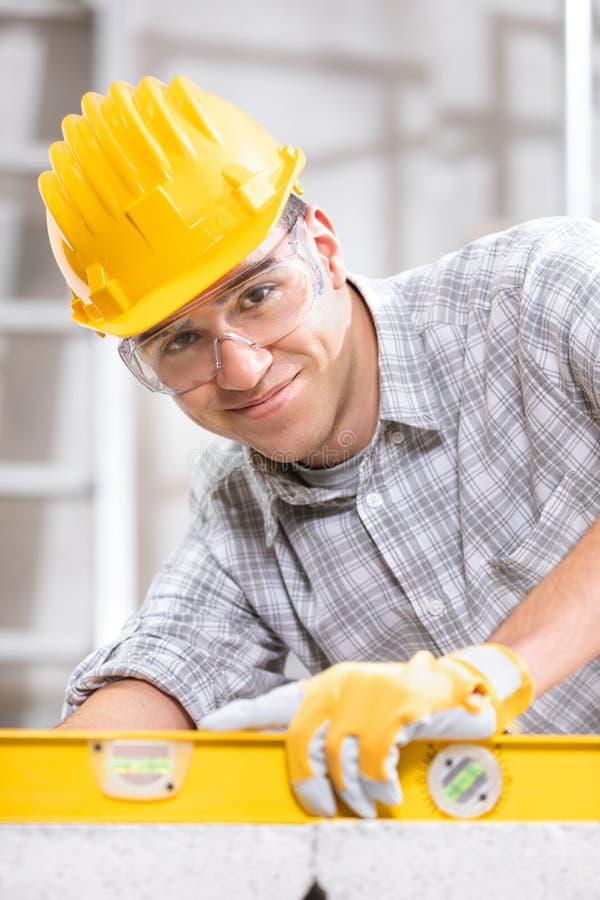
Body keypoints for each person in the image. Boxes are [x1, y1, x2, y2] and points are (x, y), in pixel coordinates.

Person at [40, 75, 600, 818]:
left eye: (258, 295)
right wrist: (38, 806)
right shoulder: (239, 506)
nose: (240, 368)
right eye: (179, 340)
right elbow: (159, 676)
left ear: (324, 251)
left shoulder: (543, 293)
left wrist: (491, 676)